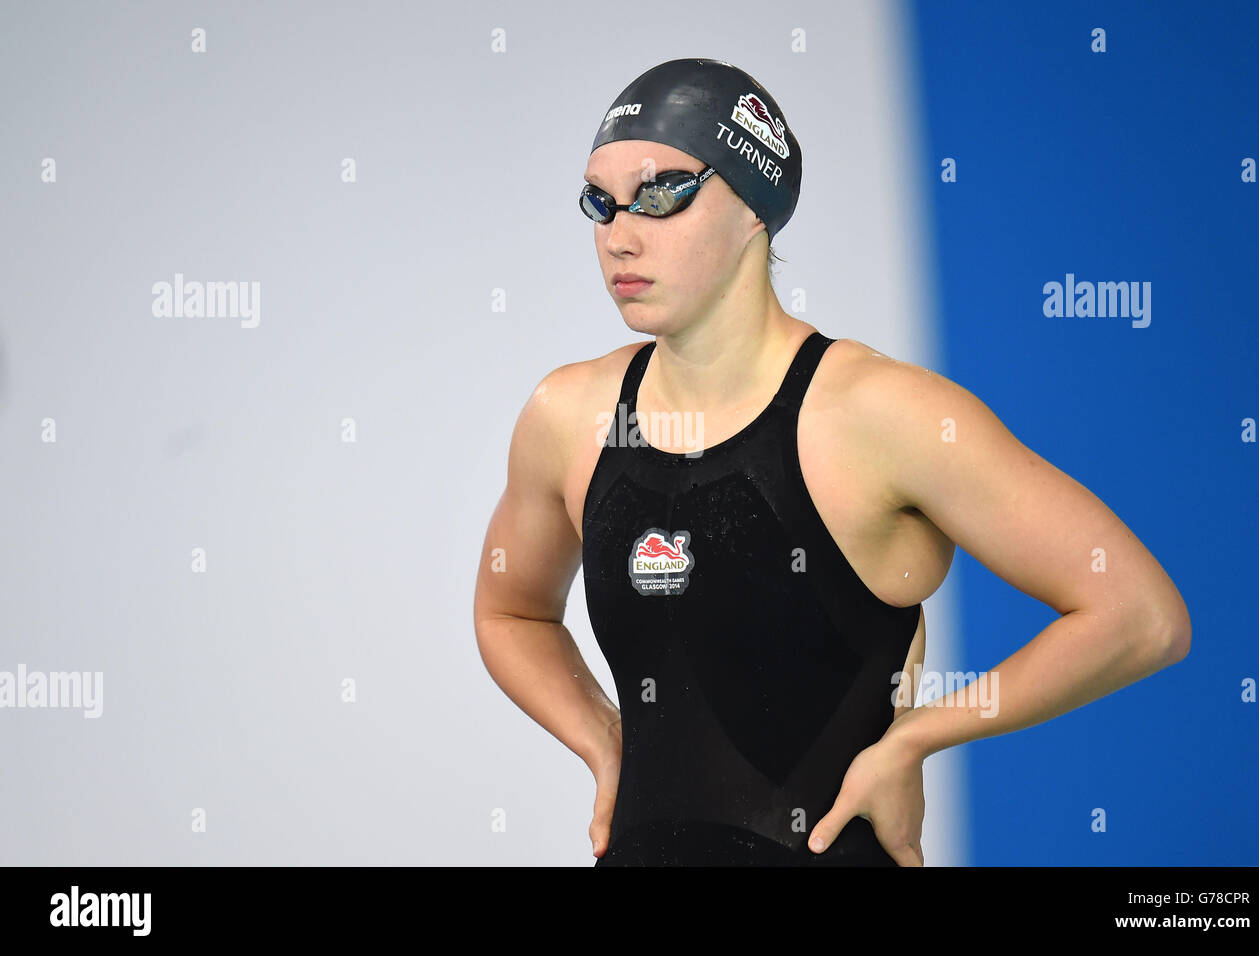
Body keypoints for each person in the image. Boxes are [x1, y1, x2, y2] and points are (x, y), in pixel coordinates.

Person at [473, 58, 1190, 866]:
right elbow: (512, 612)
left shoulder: (884, 415)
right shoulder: (570, 417)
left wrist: (917, 738)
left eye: (663, 192)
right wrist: (606, 739)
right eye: (599, 202)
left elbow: (1139, 614)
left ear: (756, 208)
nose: (619, 235)